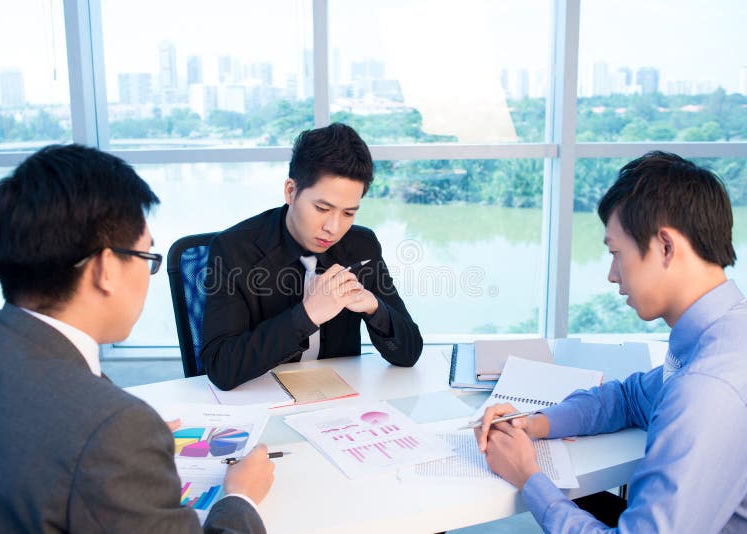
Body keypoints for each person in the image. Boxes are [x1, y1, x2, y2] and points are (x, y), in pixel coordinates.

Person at [0, 144, 274, 533]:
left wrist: (132, 446)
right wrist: (239, 497)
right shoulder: (114, 431)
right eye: (146, 258)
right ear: (105, 269)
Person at [474, 151, 747, 532]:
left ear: (666, 246)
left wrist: (529, 476)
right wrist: (534, 424)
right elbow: (631, 397)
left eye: (617, 253)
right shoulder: (725, 331)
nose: (611, 274)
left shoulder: (705, 389)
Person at [200, 123, 423, 390]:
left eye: (348, 213)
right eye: (321, 208)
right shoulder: (233, 249)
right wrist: (307, 315)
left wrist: (375, 307)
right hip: (262, 401)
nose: (334, 227)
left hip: (340, 405)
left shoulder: (361, 246)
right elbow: (222, 368)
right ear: (291, 191)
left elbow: (409, 354)